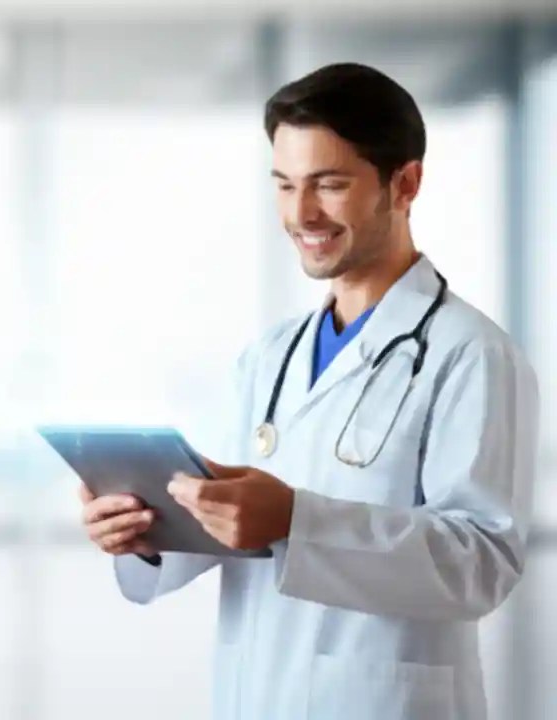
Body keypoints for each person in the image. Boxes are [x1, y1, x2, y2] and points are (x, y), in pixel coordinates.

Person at [79, 62, 539, 720]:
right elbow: (228, 524)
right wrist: (145, 529)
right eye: (286, 185)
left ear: (405, 183)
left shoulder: (471, 353)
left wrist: (296, 521)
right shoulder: (269, 357)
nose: (301, 214)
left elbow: (481, 564)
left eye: (329, 184)